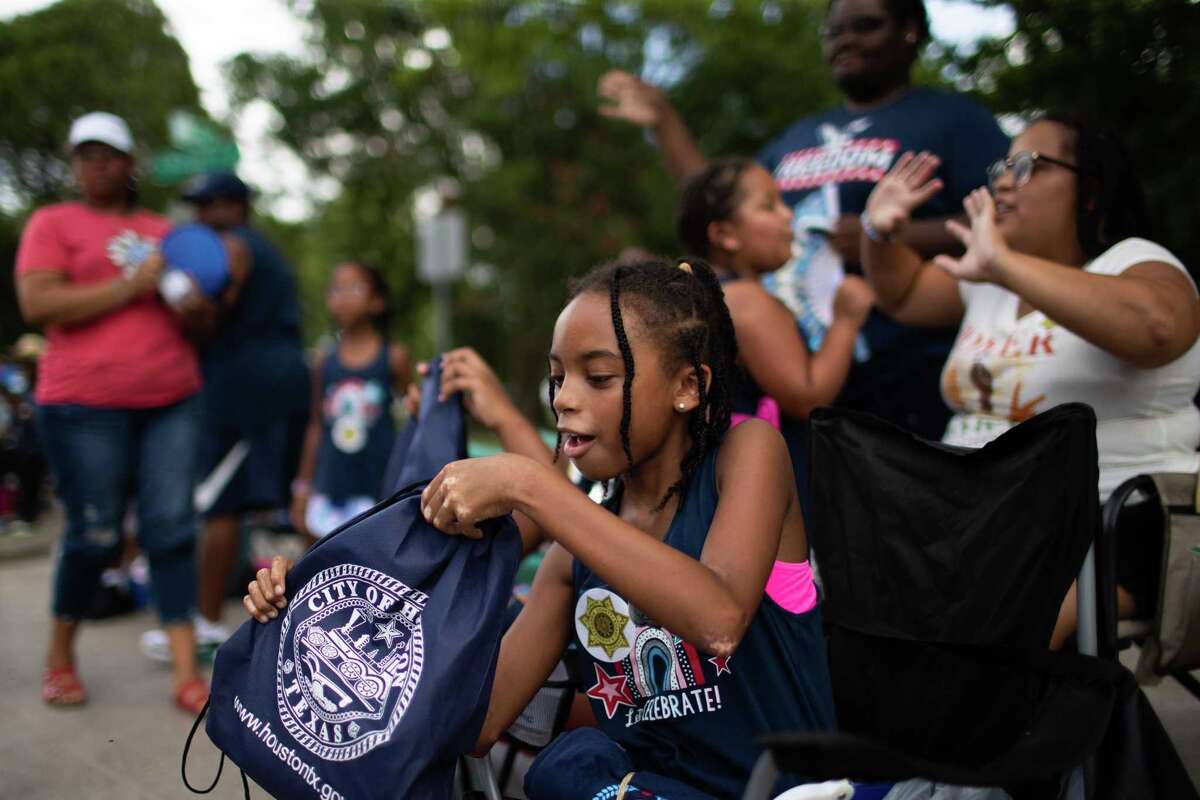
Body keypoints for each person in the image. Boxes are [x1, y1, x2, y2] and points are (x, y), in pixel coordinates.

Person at [247, 258, 837, 796]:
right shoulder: (572, 558)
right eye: (558, 377)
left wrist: (530, 484)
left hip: (782, 790)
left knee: (575, 773)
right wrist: (306, 623)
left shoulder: (748, 452)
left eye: (598, 377)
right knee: (568, 769)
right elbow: (474, 726)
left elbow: (719, 618)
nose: (565, 400)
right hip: (643, 790)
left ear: (688, 387)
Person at [859, 114, 1200, 648]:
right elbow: (902, 295)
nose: (1001, 180)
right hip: (975, 516)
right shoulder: (991, 278)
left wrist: (1002, 263)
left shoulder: (1137, 262)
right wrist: (878, 232)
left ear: (1090, 188)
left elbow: (1158, 329)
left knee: (984, 630)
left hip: (1107, 523)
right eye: (1001, 166)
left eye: (1027, 165)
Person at [598, 0, 1010, 439]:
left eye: (865, 26)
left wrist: (887, 236)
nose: (846, 40)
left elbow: (1009, 224)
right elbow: (719, 200)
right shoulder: (800, 136)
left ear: (909, 30)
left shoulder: (956, 121)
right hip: (801, 376)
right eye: (834, 32)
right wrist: (665, 123)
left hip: (909, 379)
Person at [15, 112, 208, 712]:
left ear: (129, 164)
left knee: (172, 528)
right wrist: (130, 286)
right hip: (82, 405)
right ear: (75, 165)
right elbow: (37, 302)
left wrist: (195, 303)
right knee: (94, 533)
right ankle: (60, 658)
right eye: (85, 155)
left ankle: (186, 673)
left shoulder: (165, 231)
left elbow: (201, 320)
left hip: (171, 399)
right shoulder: (52, 223)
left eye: (108, 154)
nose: (96, 165)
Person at [140, 172, 310, 662]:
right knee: (281, 504)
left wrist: (176, 294)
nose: (201, 216)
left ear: (236, 206)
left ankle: (207, 625)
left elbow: (208, 314)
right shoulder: (265, 249)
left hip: (243, 389)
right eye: (198, 206)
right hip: (276, 383)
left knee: (220, 505)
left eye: (210, 204)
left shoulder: (232, 247)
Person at [678, 156, 874, 512]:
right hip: (767, 485)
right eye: (768, 206)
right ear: (724, 235)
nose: (788, 215)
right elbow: (807, 396)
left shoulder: (704, 295)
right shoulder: (745, 300)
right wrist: (846, 321)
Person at [290, 261, 411, 539]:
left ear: (377, 302)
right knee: (322, 558)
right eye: (335, 289)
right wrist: (302, 487)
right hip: (329, 487)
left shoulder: (394, 358)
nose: (343, 296)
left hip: (378, 487)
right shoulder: (324, 361)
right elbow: (316, 425)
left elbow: (415, 419)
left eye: (354, 288)